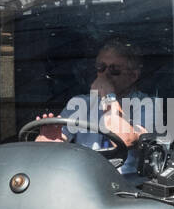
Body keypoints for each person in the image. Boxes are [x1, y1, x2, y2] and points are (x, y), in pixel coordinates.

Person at [33, 38, 153, 173]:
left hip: (127, 185)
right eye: (101, 67)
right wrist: (50, 141)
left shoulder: (146, 105)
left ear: (133, 75)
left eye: (114, 69)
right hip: (86, 180)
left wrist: (108, 97)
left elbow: (127, 140)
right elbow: (56, 142)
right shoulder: (80, 103)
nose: (105, 75)